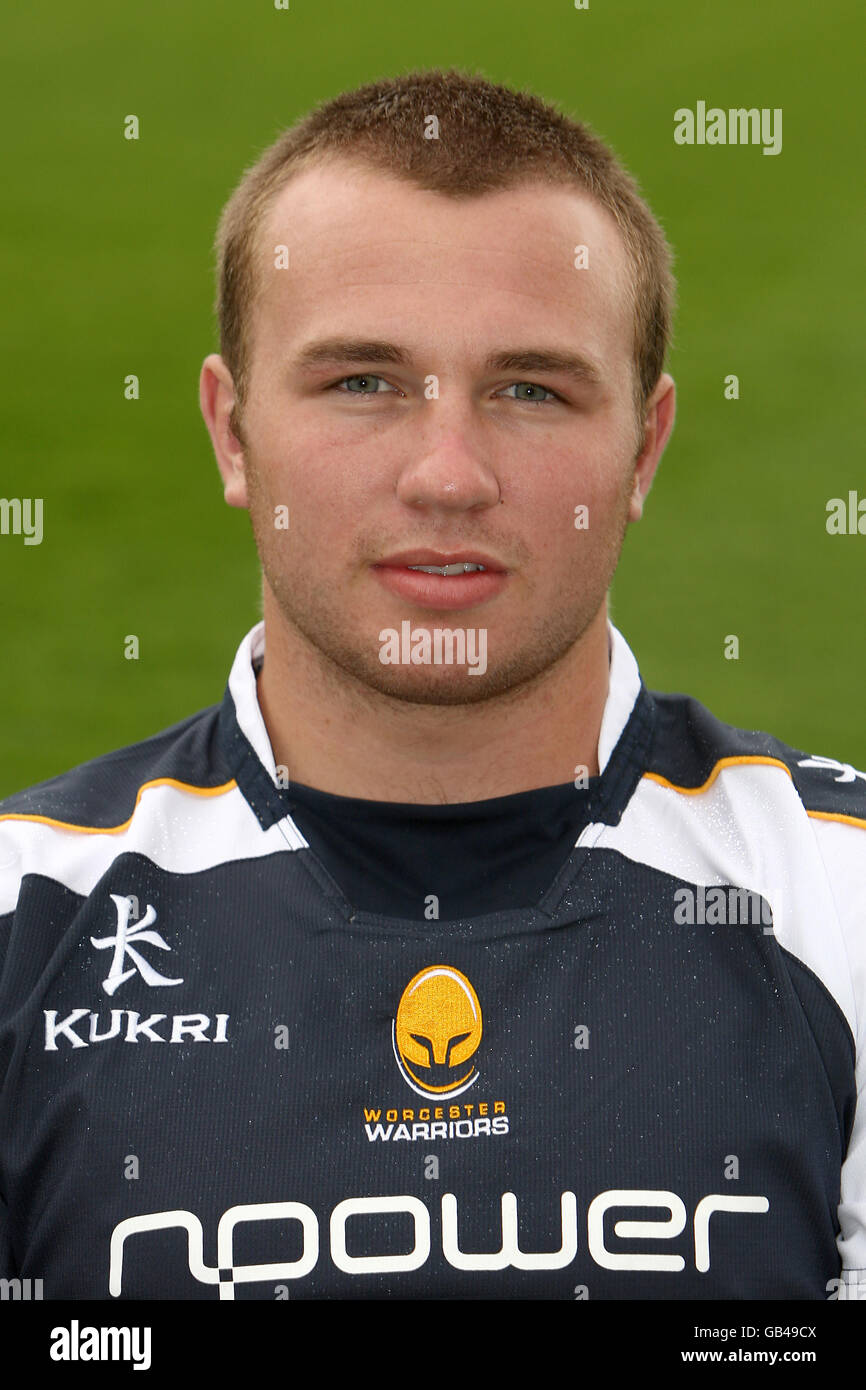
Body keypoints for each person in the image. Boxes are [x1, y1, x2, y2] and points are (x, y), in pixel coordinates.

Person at [0, 68, 863, 1302]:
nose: (447, 475)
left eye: (529, 389)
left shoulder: (840, 902)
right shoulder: (19, 923)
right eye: (362, 382)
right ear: (232, 433)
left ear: (644, 446)